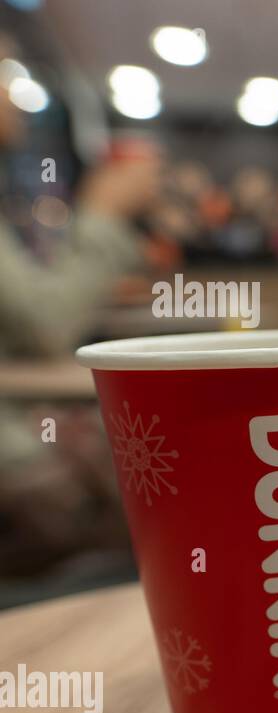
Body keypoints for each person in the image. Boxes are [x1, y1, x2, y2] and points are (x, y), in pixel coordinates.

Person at [0, 34, 160, 573]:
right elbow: (46, 324)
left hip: (23, 423)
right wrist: (104, 214)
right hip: (13, 460)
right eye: (7, 76)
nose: (15, 95)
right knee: (165, 483)